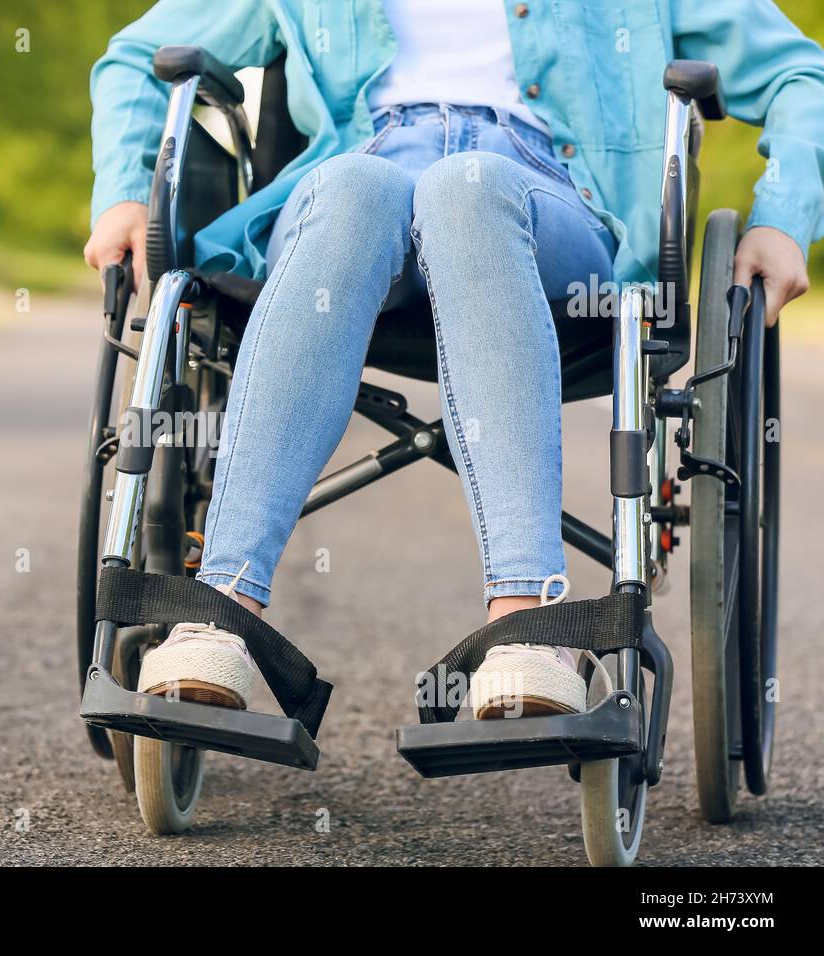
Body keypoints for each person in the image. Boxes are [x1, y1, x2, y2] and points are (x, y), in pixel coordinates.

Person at [84, 0, 822, 717]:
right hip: (359, 177)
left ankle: (526, 623)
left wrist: (783, 218)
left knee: (466, 187)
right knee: (353, 183)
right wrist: (123, 191)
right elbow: (135, 59)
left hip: (544, 194)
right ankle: (220, 614)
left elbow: (799, 75)